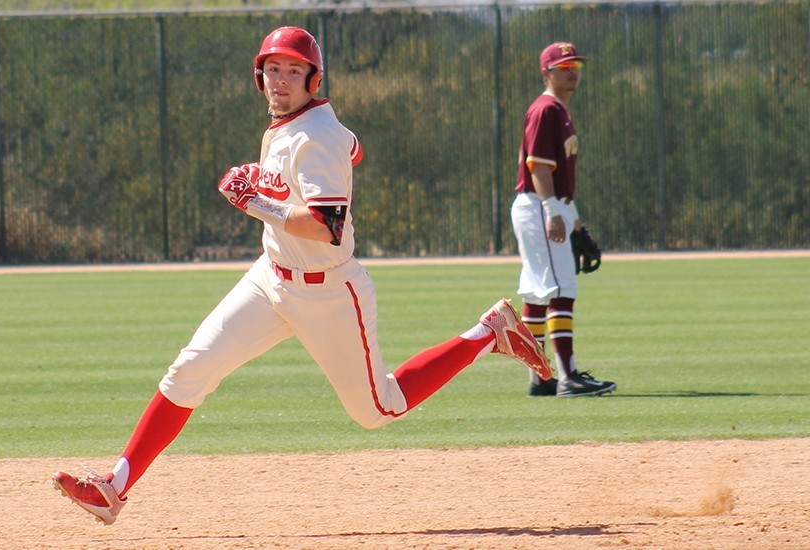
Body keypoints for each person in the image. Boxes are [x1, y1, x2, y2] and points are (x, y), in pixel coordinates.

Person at [52, 26, 552, 525]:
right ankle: (114, 487)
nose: (281, 80)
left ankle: (489, 334)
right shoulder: (297, 124)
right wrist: (338, 150)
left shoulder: (314, 137)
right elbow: (352, 147)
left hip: (330, 292)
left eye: (294, 70)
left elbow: (326, 226)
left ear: (313, 79)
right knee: (189, 372)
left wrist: (258, 200)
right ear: (259, 76)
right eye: (273, 69)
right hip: (270, 279)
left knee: (379, 409)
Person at [510, 42, 616, 398]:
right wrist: (554, 213)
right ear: (546, 72)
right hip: (539, 205)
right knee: (560, 289)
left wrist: (577, 225)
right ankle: (568, 376)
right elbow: (538, 167)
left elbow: (558, 179)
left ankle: (540, 378)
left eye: (575, 65)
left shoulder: (559, 110)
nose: (572, 70)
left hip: (544, 205)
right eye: (564, 65)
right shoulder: (545, 110)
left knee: (539, 294)